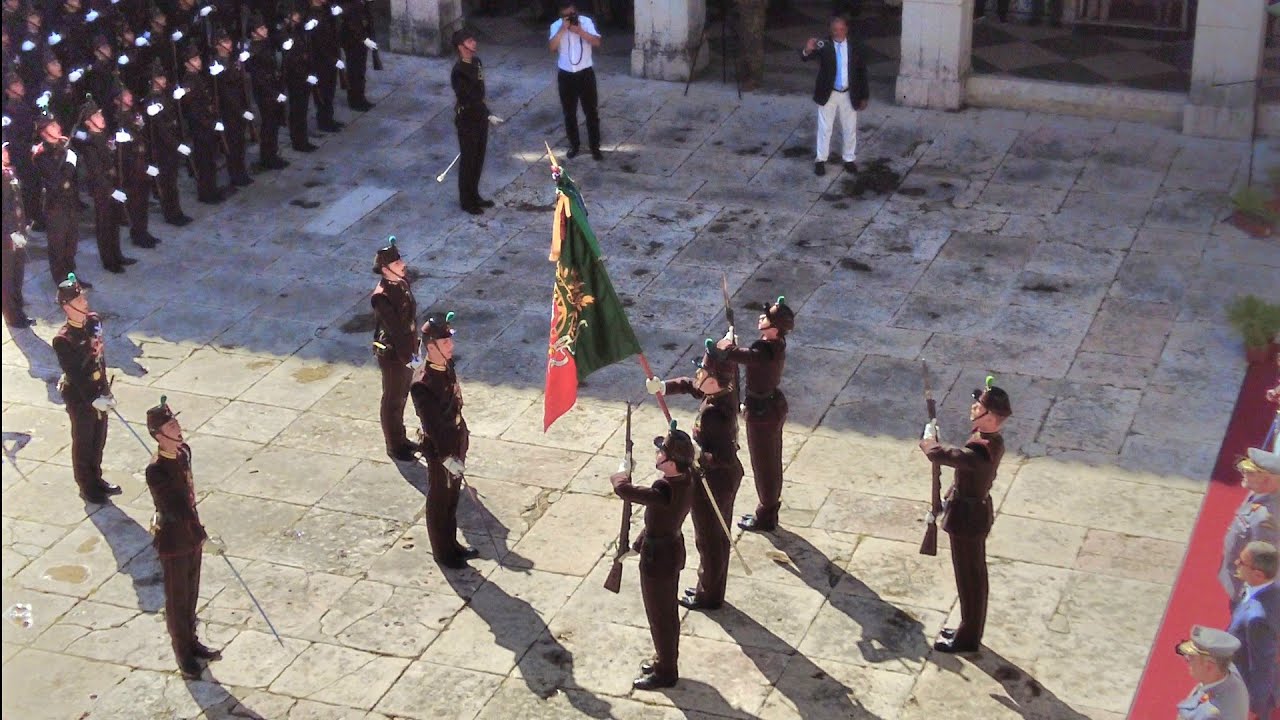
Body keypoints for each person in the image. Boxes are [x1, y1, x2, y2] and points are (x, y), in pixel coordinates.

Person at [645, 339, 742, 611]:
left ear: (715, 381)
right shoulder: (721, 391)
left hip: (716, 480)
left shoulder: (715, 414)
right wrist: (663, 387)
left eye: (703, 373)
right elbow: (690, 384)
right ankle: (710, 587)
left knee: (710, 539)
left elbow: (721, 457)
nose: (698, 376)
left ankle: (709, 594)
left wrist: (698, 454)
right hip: (716, 475)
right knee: (712, 538)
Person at [918, 376, 1011, 653]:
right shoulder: (988, 440)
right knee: (972, 576)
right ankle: (967, 628)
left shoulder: (980, 450)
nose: (973, 408)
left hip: (968, 519)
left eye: (978, 406)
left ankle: (968, 637)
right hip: (972, 511)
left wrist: (929, 440)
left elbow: (942, 455)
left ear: (991, 417)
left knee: (970, 580)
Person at [611, 421, 696, 690]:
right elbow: (656, 522)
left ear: (671, 463)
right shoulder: (686, 479)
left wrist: (622, 473)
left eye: (662, 453)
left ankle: (666, 670)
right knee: (664, 612)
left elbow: (625, 491)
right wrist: (636, 545)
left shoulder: (665, 489)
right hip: (667, 547)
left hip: (659, 558)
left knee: (661, 616)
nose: (657, 456)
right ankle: (664, 659)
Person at [144, 397, 221, 680]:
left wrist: (198, 533)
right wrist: (202, 535)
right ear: (158, 435)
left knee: (191, 592)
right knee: (177, 600)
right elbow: (176, 509)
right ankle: (183, 654)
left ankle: (193, 641)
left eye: (175, 422)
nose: (178, 429)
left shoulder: (183, 452)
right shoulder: (156, 471)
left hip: (191, 533)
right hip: (174, 540)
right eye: (171, 426)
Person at [409, 312, 476, 569]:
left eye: (450, 341)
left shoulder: (445, 366)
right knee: (440, 499)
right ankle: (443, 552)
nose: (451, 346)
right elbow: (434, 426)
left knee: (453, 497)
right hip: (441, 452)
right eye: (445, 343)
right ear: (430, 346)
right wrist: (448, 458)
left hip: (456, 440)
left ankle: (453, 544)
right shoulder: (422, 383)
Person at [51, 274, 119, 503]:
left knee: (99, 437)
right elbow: (76, 374)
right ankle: (87, 486)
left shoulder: (93, 321)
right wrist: (93, 398)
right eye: (78, 301)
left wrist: (106, 390)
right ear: (66, 307)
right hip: (80, 396)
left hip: (99, 389)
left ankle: (97, 478)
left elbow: (99, 357)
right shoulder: (63, 339)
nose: (84, 303)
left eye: (83, 299)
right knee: (84, 439)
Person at [729, 296, 793, 533]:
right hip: (771, 405)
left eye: (765, 318)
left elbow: (735, 356)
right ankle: (769, 508)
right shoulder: (775, 345)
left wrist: (725, 346)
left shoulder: (762, 349)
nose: (760, 318)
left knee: (764, 463)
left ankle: (766, 514)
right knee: (771, 459)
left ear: (774, 328)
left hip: (762, 411)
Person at [799, 15, 868, 177]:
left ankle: (849, 158)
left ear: (846, 29)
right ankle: (821, 159)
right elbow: (805, 57)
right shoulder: (825, 45)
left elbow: (861, 72)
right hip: (828, 93)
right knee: (825, 128)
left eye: (842, 29)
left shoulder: (854, 46)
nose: (839, 32)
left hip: (848, 93)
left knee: (849, 127)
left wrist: (864, 96)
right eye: (835, 30)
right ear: (831, 31)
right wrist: (808, 49)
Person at [370, 237, 420, 462]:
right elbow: (396, 331)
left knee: (402, 396)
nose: (402, 264)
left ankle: (402, 439)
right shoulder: (381, 296)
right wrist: (409, 359)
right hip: (393, 354)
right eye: (397, 262)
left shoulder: (401, 282)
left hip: (408, 348)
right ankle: (394, 445)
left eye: (400, 260)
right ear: (385, 268)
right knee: (393, 399)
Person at [75, 95, 136, 273]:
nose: (101, 118)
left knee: (115, 222)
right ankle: (109, 260)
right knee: (105, 224)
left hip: (113, 184)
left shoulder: (103, 135)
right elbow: (96, 173)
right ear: (88, 122)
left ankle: (117, 254)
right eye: (97, 116)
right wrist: (110, 190)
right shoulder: (90, 144)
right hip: (103, 189)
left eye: (101, 115)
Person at [32, 113, 88, 288]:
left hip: (70, 202)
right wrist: (70, 163)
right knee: (58, 246)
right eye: (53, 125)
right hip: (55, 205)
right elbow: (58, 182)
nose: (58, 127)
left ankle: (72, 279)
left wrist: (71, 154)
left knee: (71, 245)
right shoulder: (42, 154)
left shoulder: (62, 147)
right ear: (44, 132)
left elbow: (80, 175)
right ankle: (62, 283)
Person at [1219, 447, 1280, 605]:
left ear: (1267, 480)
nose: (1243, 473)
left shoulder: (1266, 518)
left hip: (1246, 586)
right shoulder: (1260, 492)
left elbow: (1262, 564)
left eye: (1250, 472)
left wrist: (1247, 597)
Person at [450, 28, 500, 216]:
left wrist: (485, 114)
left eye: (473, 40)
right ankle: (466, 200)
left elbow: (480, 91)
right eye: (470, 42)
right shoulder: (458, 72)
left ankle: (475, 194)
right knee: (468, 160)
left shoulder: (477, 63)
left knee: (479, 158)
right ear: (461, 47)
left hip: (479, 117)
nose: (474, 44)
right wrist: (487, 114)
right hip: (468, 119)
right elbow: (468, 98)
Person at [1227, 541, 1279, 719]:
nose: (1236, 563)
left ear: (1258, 574)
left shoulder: (1258, 618)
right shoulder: (1263, 588)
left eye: (1241, 562)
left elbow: (1261, 668)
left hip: (1245, 693)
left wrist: (1253, 708)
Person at [548, 1, 602, 161]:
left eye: (572, 14)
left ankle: (595, 147)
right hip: (566, 75)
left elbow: (597, 42)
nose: (570, 18)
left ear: (576, 12)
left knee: (591, 112)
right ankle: (574, 145)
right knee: (569, 113)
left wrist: (579, 31)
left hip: (585, 73)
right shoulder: (556, 26)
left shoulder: (586, 22)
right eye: (566, 16)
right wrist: (561, 30)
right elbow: (551, 48)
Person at [144, 59, 194, 226]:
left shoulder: (163, 95)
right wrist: (177, 145)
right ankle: (171, 214)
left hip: (170, 143)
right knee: (167, 183)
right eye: (160, 78)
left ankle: (176, 211)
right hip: (162, 147)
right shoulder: (152, 101)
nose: (164, 81)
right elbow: (161, 129)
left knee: (172, 181)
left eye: (164, 77)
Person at [113, 86, 162, 249]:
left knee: (143, 201)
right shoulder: (118, 119)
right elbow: (124, 153)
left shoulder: (134, 113)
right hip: (133, 168)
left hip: (142, 160)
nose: (130, 96)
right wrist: (143, 166)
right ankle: (138, 233)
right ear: (117, 100)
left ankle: (143, 231)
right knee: (135, 202)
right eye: (125, 95)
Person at [243, 12, 290, 170]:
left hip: (274, 86)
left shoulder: (265, 44)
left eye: (264, 27)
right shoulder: (254, 51)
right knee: (269, 125)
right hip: (265, 92)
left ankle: (272, 154)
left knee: (274, 123)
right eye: (261, 28)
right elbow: (259, 78)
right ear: (253, 32)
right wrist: (274, 93)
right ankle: (268, 157)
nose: (265, 30)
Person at [177, 44, 222, 204]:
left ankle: (212, 190)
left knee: (210, 160)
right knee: (204, 161)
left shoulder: (198, 77)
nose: (199, 61)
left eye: (198, 58)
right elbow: (193, 110)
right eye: (194, 59)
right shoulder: (189, 81)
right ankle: (206, 193)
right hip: (201, 127)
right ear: (187, 64)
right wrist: (209, 123)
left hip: (207, 123)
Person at [209, 27, 254, 188]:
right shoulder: (217, 64)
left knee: (240, 143)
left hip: (239, 104)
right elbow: (225, 93)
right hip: (229, 110)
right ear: (218, 45)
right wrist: (240, 110)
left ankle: (241, 172)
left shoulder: (232, 60)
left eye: (229, 41)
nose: (230, 44)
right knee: (233, 144)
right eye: (225, 42)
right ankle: (235, 175)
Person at [1176, 625, 1250, 720]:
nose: (1187, 659)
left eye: (1192, 657)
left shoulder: (1211, 715)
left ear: (1209, 665)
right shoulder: (1226, 670)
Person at [2, 139, 33, 328]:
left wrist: (23, 224)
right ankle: (11, 314)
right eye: (3, 151)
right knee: (7, 275)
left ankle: (18, 306)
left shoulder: (10, 172)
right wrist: (10, 232)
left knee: (18, 271)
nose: (6, 153)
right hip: (6, 235)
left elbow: (17, 202)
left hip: (17, 230)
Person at [304, 0, 344, 133]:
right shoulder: (312, 16)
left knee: (330, 90)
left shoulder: (325, 10)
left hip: (330, 56)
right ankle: (324, 121)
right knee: (323, 92)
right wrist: (332, 59)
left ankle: (329, 118)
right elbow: (318, 44)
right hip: (321, 60)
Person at [338, 0, 377, 111]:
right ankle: (354, 100)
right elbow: (352, 24)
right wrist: (363, 39)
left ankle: (360, 98)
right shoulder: (351, 5)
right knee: (354, 71)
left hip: (360, 41)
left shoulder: (362, 4)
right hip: (352, 41)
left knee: (360, 71)